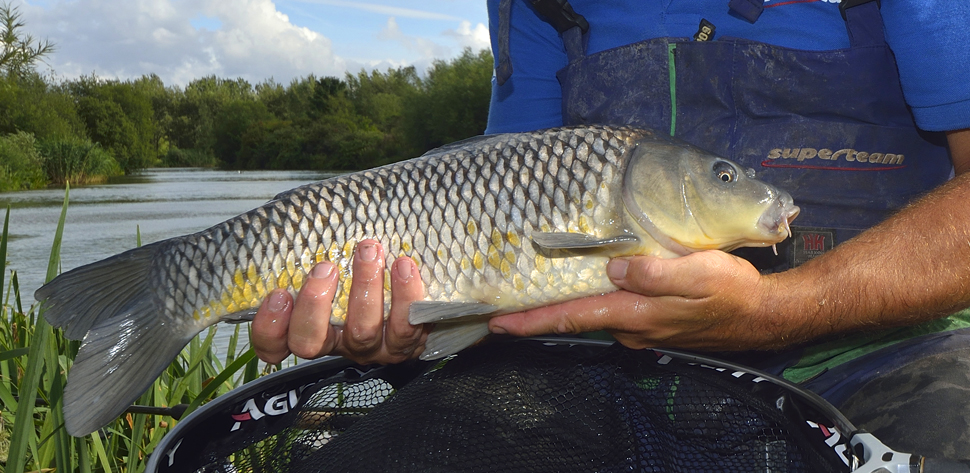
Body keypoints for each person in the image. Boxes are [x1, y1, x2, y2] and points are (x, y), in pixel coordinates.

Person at [252, 0, 970, 458]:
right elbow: (484, 210)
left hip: (889, 353)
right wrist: (410, 319)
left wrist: (777, 308)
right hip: (592, 367)